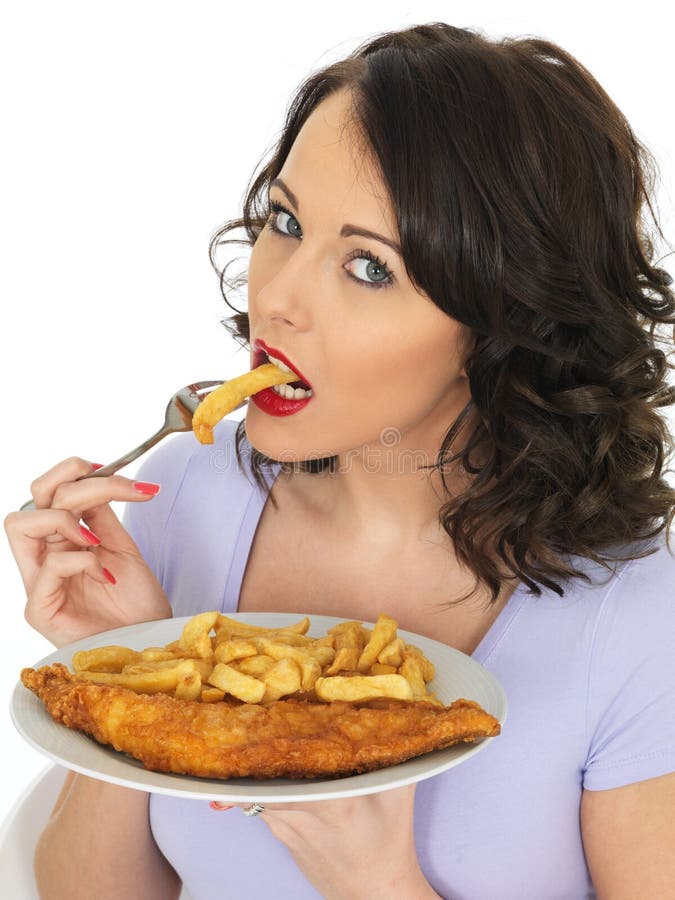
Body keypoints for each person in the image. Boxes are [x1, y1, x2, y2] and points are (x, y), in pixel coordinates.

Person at [5, 22, 675, 900]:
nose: (277, 298)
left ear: (503, 321)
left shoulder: (633, 619)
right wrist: (122, 667)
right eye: (285, 222)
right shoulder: (185, 491)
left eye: (368, 266)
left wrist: (375, 881)